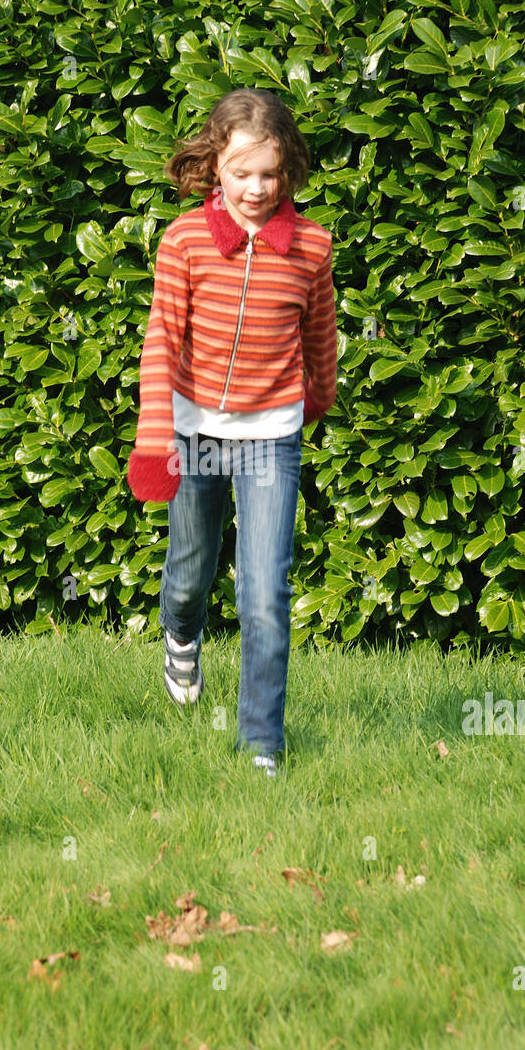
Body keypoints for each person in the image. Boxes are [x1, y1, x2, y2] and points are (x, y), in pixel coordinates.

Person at [126, 89, 337, 776]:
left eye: (270, 173)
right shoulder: (185, 240)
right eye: (242, 172)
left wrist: (317, 400)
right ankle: (180, 637)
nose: (256, 188)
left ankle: (261, 744)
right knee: (189, 574)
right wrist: (155, 439)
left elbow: (320, 337)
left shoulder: (310, 247)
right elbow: (161, 343)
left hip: (271, 433)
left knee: (265, 594)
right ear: (215, 165)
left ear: (289, 171)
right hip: (196, 432)